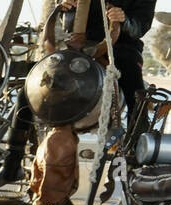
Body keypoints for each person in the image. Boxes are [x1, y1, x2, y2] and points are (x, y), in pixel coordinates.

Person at [58, 0, 155, 133]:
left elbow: (139, 27)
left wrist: (124, 20)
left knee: (135, 93)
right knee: (35, 84)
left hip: (122, 47)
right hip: (78, 46)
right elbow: (65, 19)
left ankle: (137, 141)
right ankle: (20, 144)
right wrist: (63, 6)